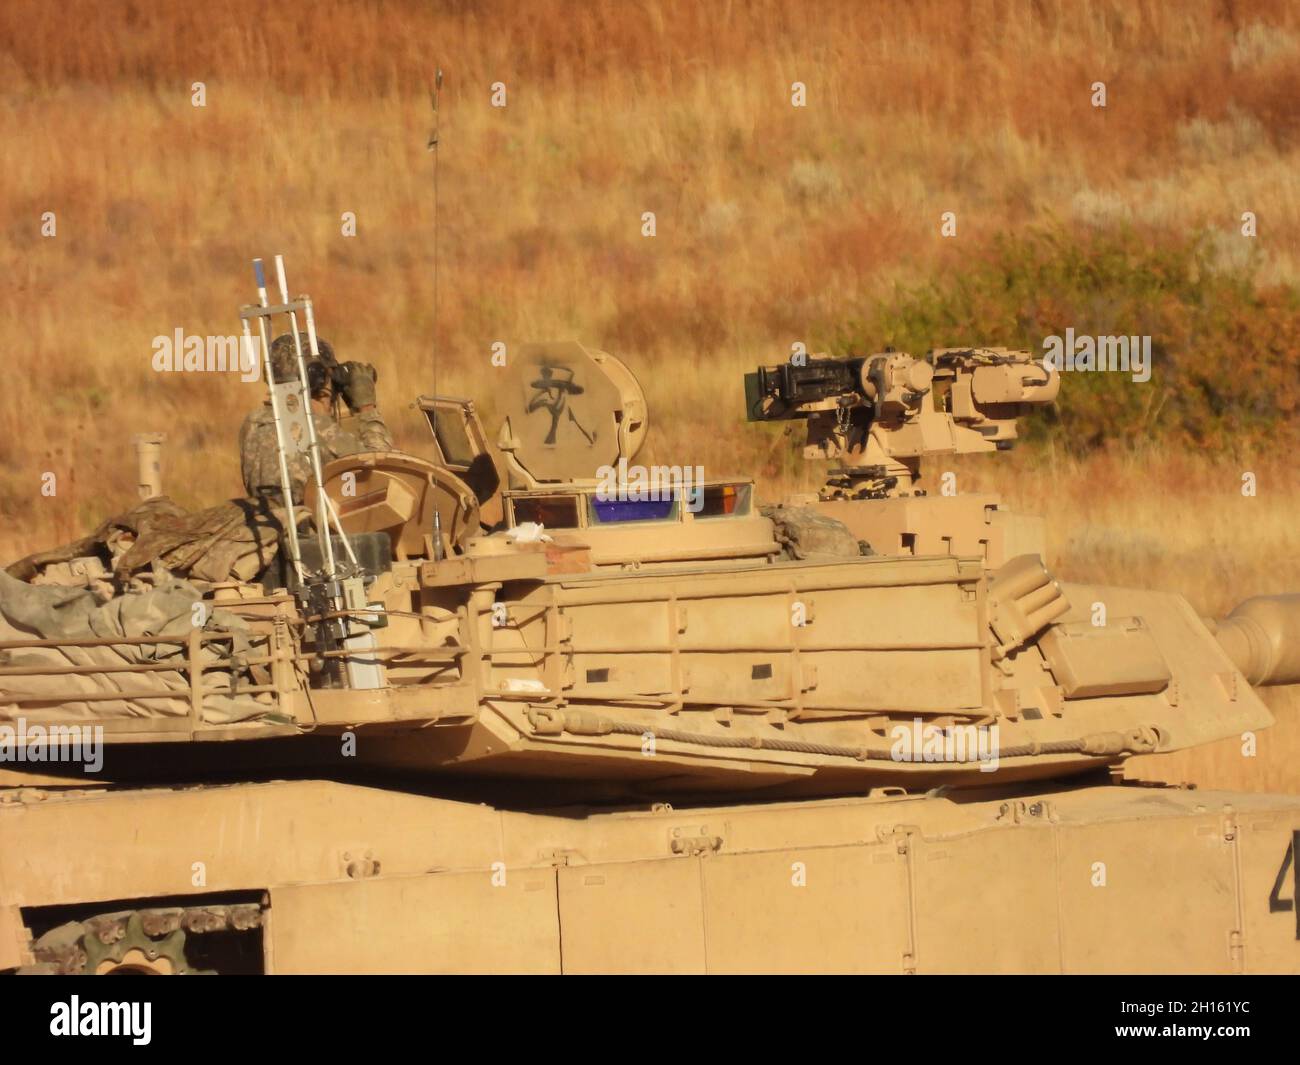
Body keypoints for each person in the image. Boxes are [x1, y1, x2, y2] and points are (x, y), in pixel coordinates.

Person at [239, 332, 394, 504]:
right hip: (308, 527)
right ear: (316, 378)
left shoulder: (253, 422)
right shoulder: (316, 426)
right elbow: (382, 471)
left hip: (274, 523)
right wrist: (367, 408)